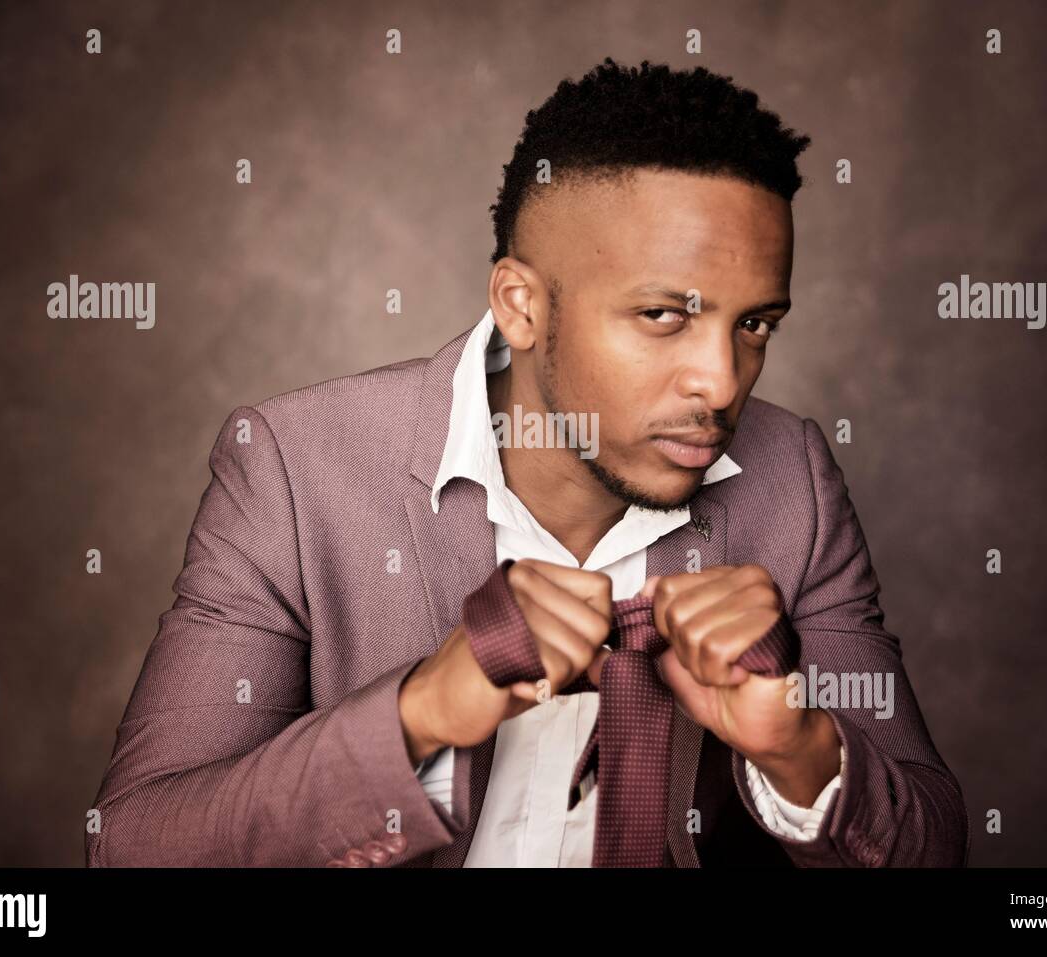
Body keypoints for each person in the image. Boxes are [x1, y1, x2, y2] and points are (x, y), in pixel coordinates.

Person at [87, 57, 968, 868]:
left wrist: (799, 750)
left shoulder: (794, 482)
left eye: (754, 324)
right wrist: (418, 715)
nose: (721, 380)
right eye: (664, 314)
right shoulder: (295, 468)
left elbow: (932, 843)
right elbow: (133, 845)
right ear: (520, 304)